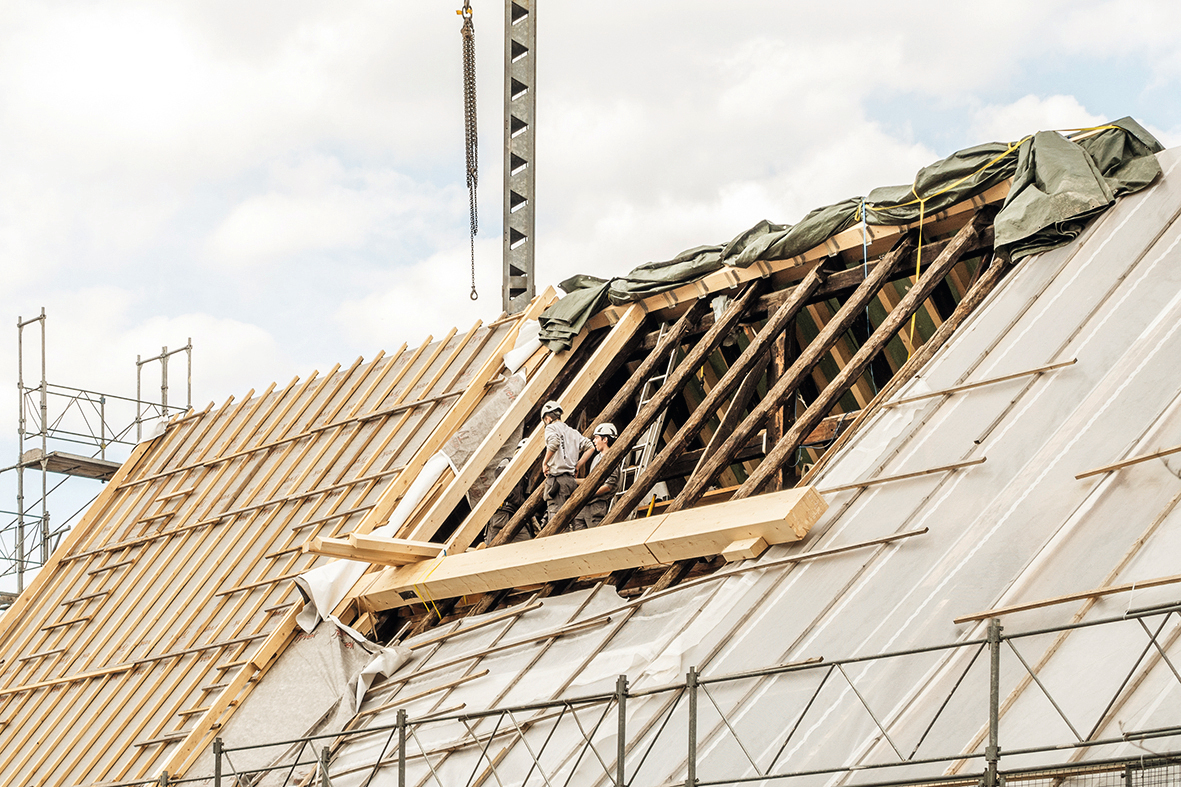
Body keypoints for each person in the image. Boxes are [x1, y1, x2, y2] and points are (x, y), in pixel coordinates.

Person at [540, 401, 592, 526]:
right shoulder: (572, 432)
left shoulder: (550, 427)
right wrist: (578, 465)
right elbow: (590, 447)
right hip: (571, 482)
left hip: (557, 483)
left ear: (547, 418)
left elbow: (554, 442)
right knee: (572, 520)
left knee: (557, 523)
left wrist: (545, 462)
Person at [485, 439, 533, 545]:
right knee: (492, 546)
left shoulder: (526, 475)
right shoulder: (507, 462)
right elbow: (499, 475)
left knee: (526, 544)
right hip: (502, 513)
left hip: (516, 515)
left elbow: (526, 496)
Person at [573, 423, 620, 530]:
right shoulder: (596, 459)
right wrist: (573, 481)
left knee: (595, 536)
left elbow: (608, 487)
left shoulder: (612, 460)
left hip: (597, 506)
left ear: (605, 439)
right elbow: (590, 481)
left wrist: (587, 494)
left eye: (596, 438)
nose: (594, 441)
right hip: (586, 505)